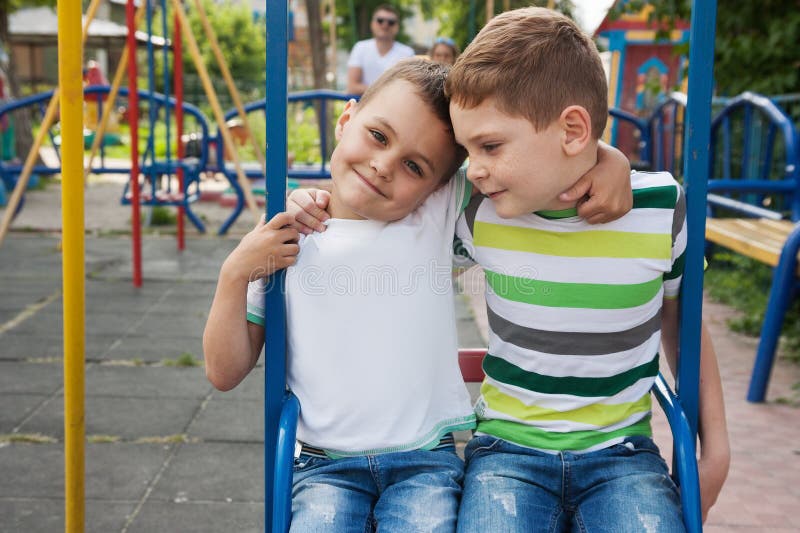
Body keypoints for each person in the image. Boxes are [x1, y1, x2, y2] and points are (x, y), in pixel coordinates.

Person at [205, 57, 632, 532]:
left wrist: (610, 160)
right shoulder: (287, 238)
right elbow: (224, 371)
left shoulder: (433, 217)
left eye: (414, 166)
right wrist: (234, 274)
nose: (383, 165)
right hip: (324, 467)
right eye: (378, 136)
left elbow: (529, 155)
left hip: (424, 464)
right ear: (347, 120)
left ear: (437, 185)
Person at [443, 8, 730, 531]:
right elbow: (390, 226)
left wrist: (716, 450)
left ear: (573, 130)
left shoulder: (662, 208)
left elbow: (682, 324)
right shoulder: (476, 208)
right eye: (466, 149)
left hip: (621, 457)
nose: (474, 167)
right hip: (507, 453)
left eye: (489, 146)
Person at [346, 4, 414, 95]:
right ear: (372, 24)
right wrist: (389, 91)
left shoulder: (407, 53)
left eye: (391, 22)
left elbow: (407, 88)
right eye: (380, 20)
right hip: (364, 107)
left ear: (397, 27)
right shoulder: (360, 48)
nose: (385, 25)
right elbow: (352, 87)